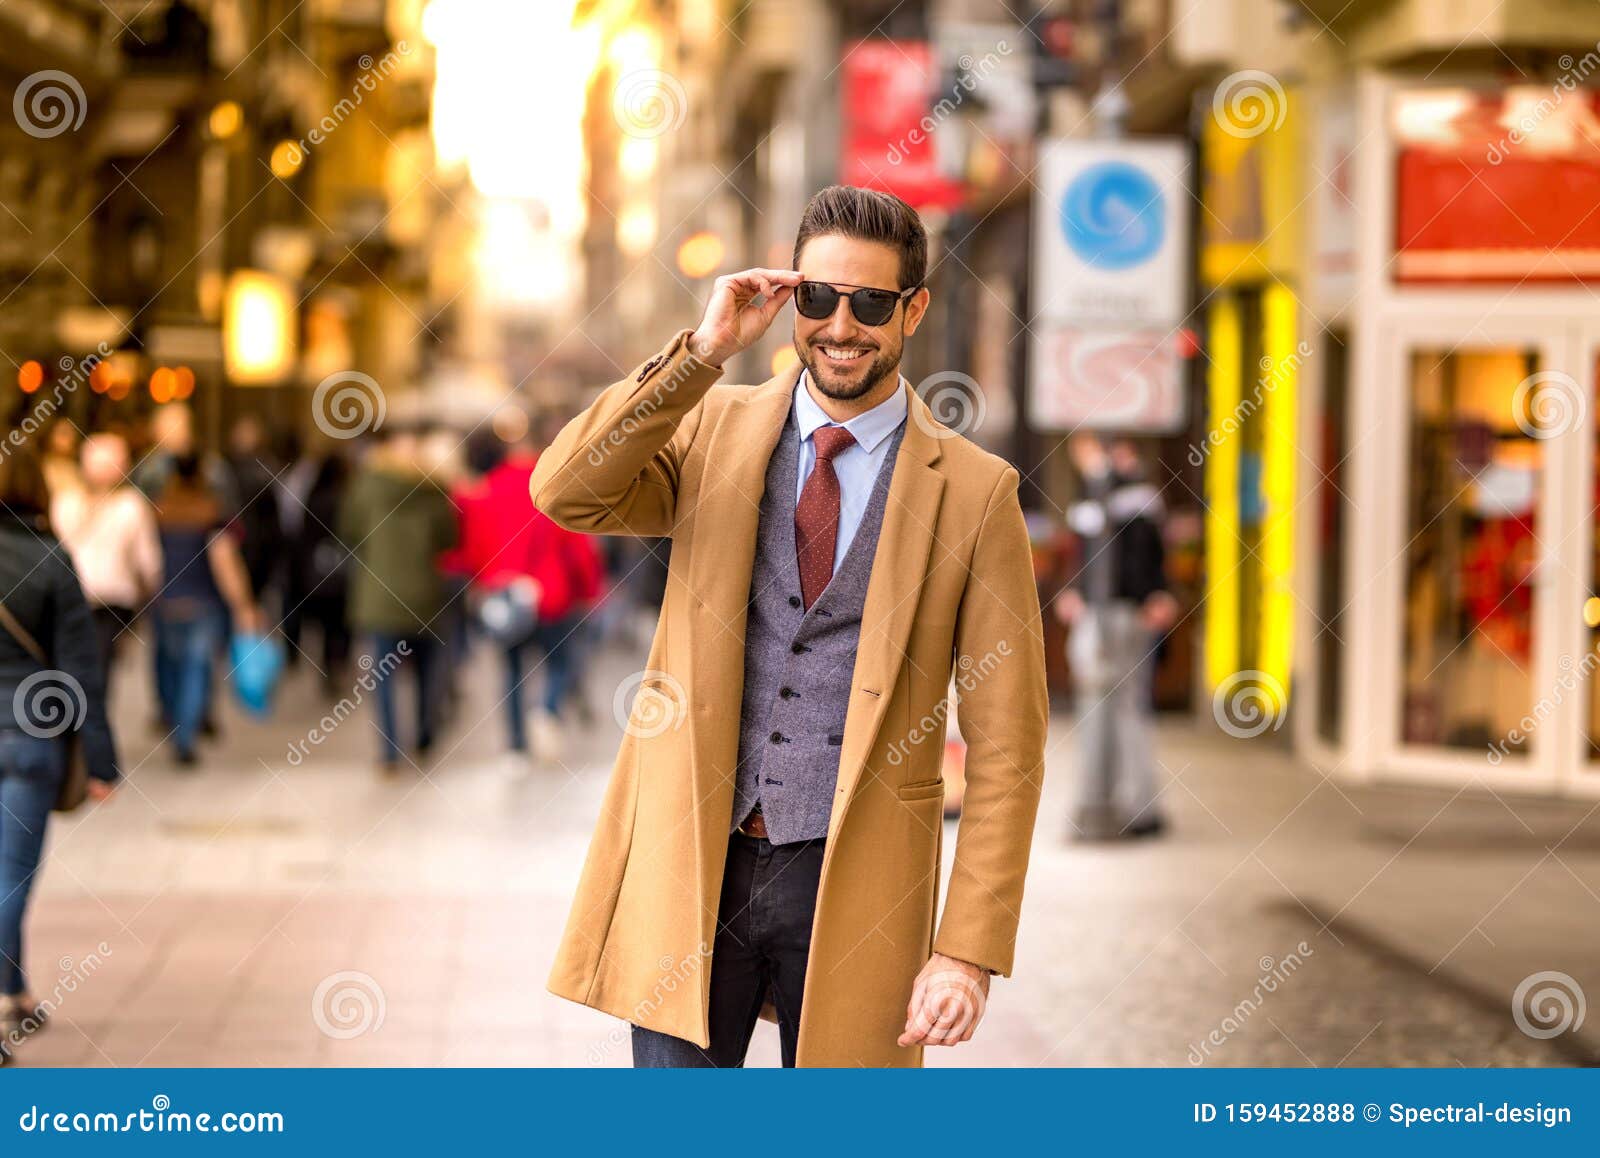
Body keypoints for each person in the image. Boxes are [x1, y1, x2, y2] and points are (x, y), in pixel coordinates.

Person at [531, 185, 1048, 1068]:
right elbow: (567, 489)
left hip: (860, 879)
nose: (839, 326)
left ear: (914, 309)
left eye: (871, 303)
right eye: (817, 297)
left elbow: (1007, 747)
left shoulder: (974, 492)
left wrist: (967, 949)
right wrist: (700, 353)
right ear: (788, 298)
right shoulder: (712, 432)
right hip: (695, 862)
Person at [0, 445, 119, 1062]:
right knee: (11, 872)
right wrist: (100, 758)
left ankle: (12, 989)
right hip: (30, 734)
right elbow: (79, 672)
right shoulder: (50, 560)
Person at [1053, 433, 1179, 841]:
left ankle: (1126, 805)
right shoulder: (1105, 495)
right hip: (1108, 612)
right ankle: (1119, 803)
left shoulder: (1120, 495)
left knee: (1116, 707)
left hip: (1118, 614)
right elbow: (1085, 555)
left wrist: (1153, 595)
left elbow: (1141, 555)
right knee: (1117, 707)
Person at [338, 426, 458, 773]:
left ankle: (389, 749)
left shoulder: (366, 486)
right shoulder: (434, 489)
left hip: (379, 596)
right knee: (426, 671)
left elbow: (349, 530)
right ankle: (423, 735)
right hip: (426, 595)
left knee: (383, 677)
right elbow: (448, 539)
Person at [457, 432, 580, 761]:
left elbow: (475, 547)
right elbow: (574, 544)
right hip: (550, 595)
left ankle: (515, 747)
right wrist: (585, 587)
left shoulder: (488, 489)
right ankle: (547, 707)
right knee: (559, 663)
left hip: (506, 596)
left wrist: (487, 581)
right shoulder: (552, 487)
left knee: (511, 672)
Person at [152, 454, 261, 766]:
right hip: (203, 603)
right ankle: (185, 736)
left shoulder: (158, 511)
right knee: (196, 670)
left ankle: (175, 724)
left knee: (172, 667)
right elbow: (224, 561)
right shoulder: (211, 512)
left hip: (167, 601)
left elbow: (148, 559)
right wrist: (244, 605)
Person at [51, 434, 162, 696]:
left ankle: (74, 727)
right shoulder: (132, 506)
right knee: (98, 675)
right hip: (109, 604)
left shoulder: (65, 502)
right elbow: (149, 562)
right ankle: (88, 729)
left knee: (71, 671)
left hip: (76, 601)